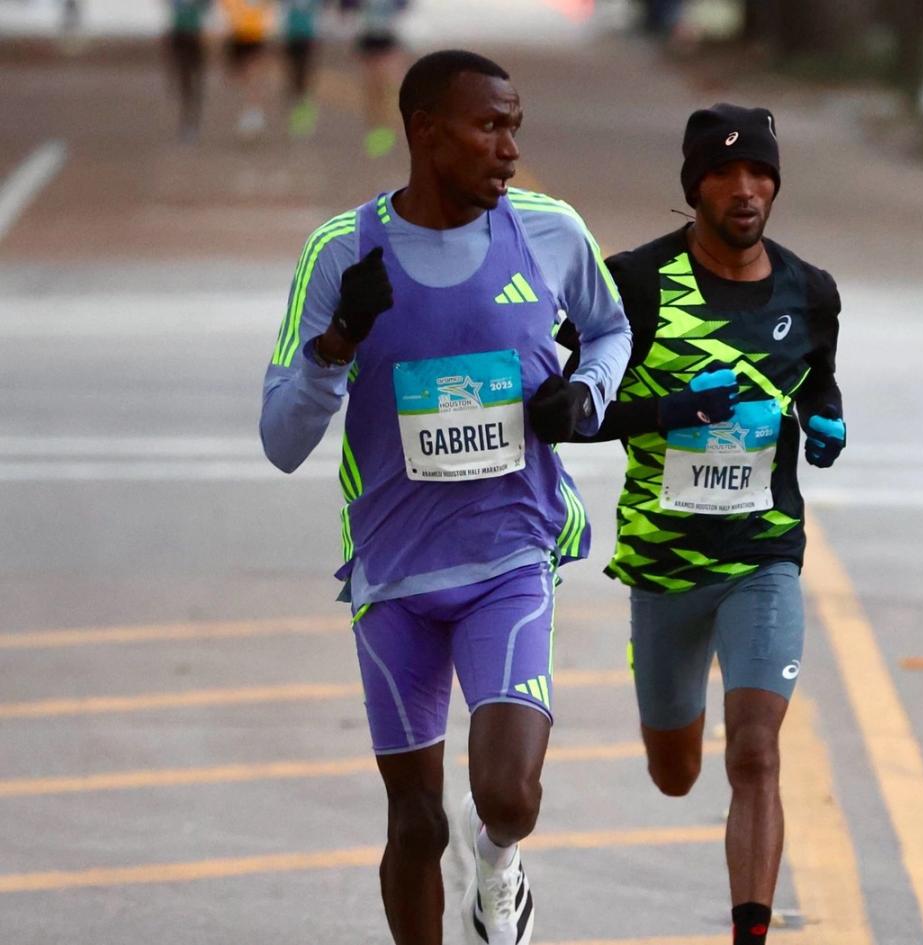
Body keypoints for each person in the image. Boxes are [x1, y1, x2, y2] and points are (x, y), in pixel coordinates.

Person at [258, 49, 632, 945]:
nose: (509, 149)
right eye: (489, 127)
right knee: (415, 821)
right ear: (426, 132)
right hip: (393, 574)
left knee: (508, 794)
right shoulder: (342, 252)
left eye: (514, 127)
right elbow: (280, 440)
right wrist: (340, 337)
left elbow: (610, 328)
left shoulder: (547, 232)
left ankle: (500, 865)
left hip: (512, 552)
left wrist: (586, 392)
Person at [559, 103, 843, 945]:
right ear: (694, 187)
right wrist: (672, 409)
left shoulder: (810, 291)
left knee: (755, 749)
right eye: (723, 173)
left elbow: (816, 384)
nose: (745, 189)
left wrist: (825, 420)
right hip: (662, 560)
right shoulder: (633, 284)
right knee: (676, 771)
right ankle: (662, 685)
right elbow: (569, 412)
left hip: (763, 557)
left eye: (759, 172)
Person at [354, 0, 408, 158]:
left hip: (387, 39)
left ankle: (386, 128)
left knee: (388, 86)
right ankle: (375, 128)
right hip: (368, 40)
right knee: (371, 88)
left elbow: (403, 8)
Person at [220, 0, 278, 140]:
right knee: (239, 76)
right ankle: (253, 109)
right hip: (239, 36)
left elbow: (270, 9)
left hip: (255, 36)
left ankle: (254, 110)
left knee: (253, 74)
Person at [166, 0, 211, 141]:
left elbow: (206, 8)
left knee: (195, 82)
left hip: (194, 36)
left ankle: (191, 123)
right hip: (180, 36)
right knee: (185, 81)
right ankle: (187, 122)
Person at [282, 0, 323, 139]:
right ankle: (296, 111)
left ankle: (305, 111)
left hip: (308, 37)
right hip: (291, 36)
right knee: (293, 76)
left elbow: (319, 16)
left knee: (306, 75)